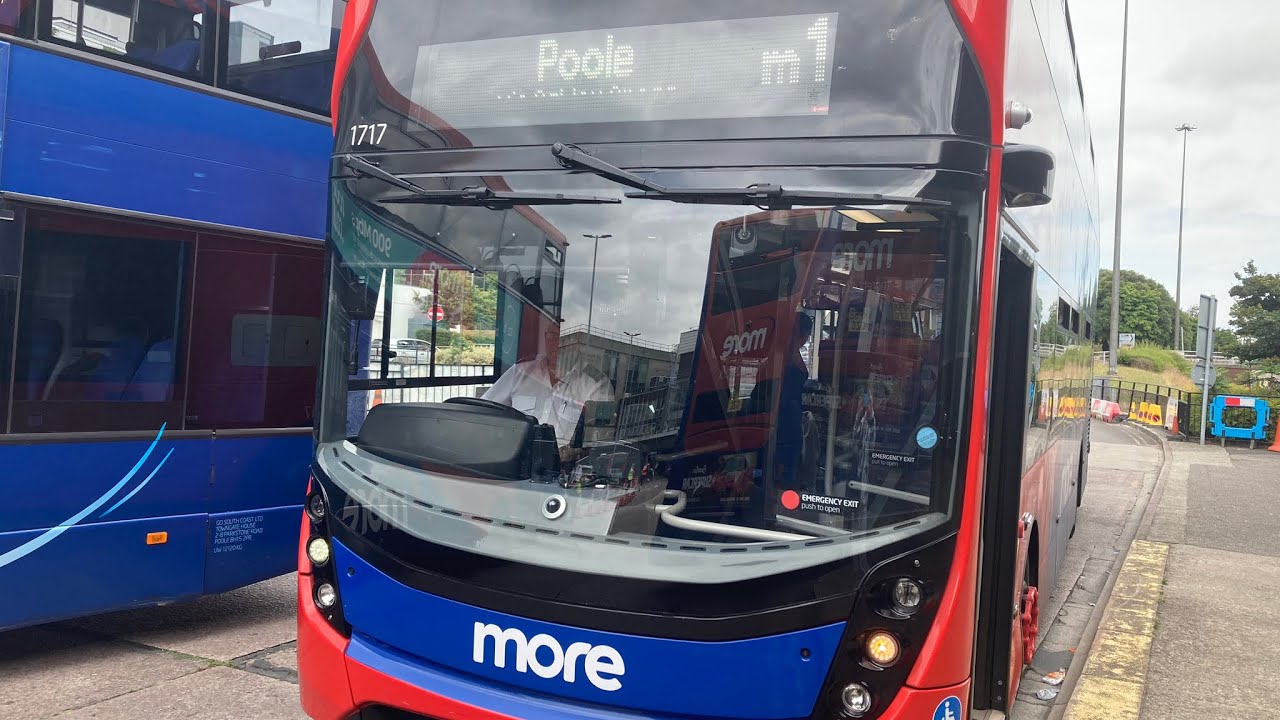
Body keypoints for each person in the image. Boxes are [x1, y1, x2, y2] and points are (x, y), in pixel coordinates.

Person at [482, 321, 614, 463]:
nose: (557, 343)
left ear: (578, 343)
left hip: (564, 470)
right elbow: (485, 410)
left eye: (565, 337)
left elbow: (599, 442)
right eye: (553, 336)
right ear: (546, 338)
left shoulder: (597, 384)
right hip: (514, 461)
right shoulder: (521, 372)